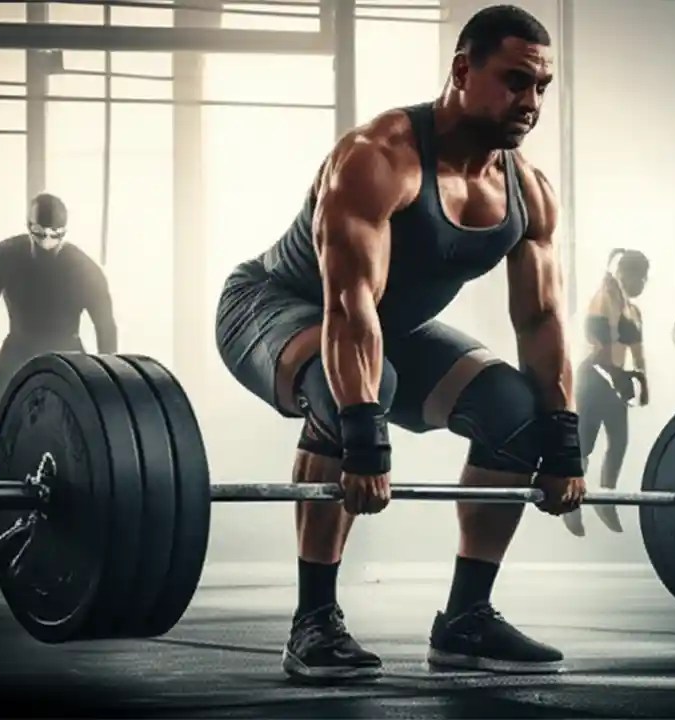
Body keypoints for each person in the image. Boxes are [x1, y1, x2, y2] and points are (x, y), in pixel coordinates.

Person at [214, 4, 585, 682]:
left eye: (541, 86)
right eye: (514, 81)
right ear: (462, 70)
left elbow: (541, 320)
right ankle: (313, 621)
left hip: (387, 329)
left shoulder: (528, 192)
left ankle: (467, 620)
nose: (530, 102)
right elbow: (349, 302)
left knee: (513, 411)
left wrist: (562, 439)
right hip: (272, 307)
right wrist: (363, 434)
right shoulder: (379, 157)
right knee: (356, 392)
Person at [0, 193, 118, 431]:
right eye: (40, 233)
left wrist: (107, 374)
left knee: (74, 427)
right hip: (20, 349)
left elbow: (105, 324)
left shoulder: (85, 270)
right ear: (29, 226)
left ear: (64, 231)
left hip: (66, 353)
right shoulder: (6, 255)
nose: (47, 241)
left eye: (55, 234)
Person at [563, 249, 649, 537]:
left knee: (619, 441)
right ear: (623, 274)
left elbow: (637, 352)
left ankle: (606, 499)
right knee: (585, 444)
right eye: (638, 277)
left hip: (614, 380)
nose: (642, 283)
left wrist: (642, 383)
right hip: (594, 376)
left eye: (644, 278)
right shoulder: (604, 299)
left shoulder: (631, 311)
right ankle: (571, 503)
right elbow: (597, 343)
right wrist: (618, 376)